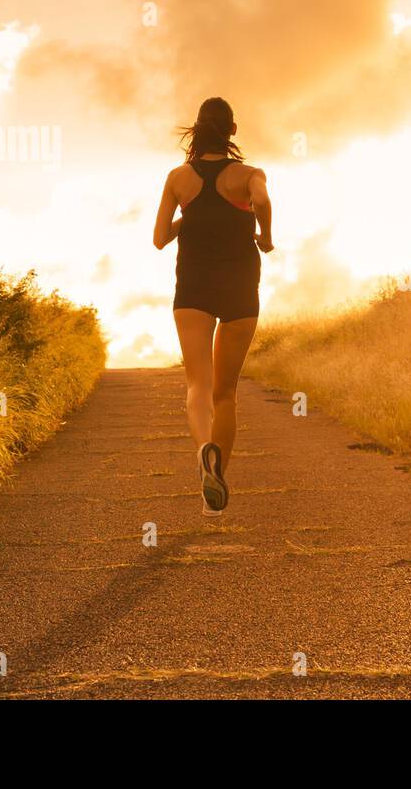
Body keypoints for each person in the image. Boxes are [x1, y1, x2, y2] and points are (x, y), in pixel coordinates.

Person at [152, 97, 273, 515]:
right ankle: (216, 481)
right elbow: (261, 201)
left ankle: (204, 448)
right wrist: (266, 236)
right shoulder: (249, 174)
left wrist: (193, 217)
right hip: (240, 288)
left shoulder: (178, 178)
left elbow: (159, 237)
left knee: (198, 385)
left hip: (194, 290)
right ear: (232, 131)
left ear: (198, 129)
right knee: (227, 393)